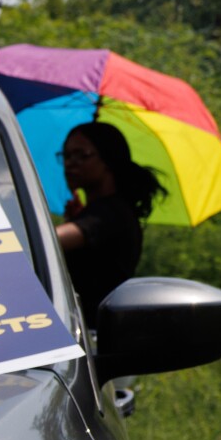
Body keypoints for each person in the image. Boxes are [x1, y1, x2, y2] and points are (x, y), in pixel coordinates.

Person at [53, 121, 165, 314]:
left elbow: (47, 241)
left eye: (82, 155)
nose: (71, 163)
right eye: (67, 155)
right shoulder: (105, 211)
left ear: (109, 160)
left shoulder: (109, 214)